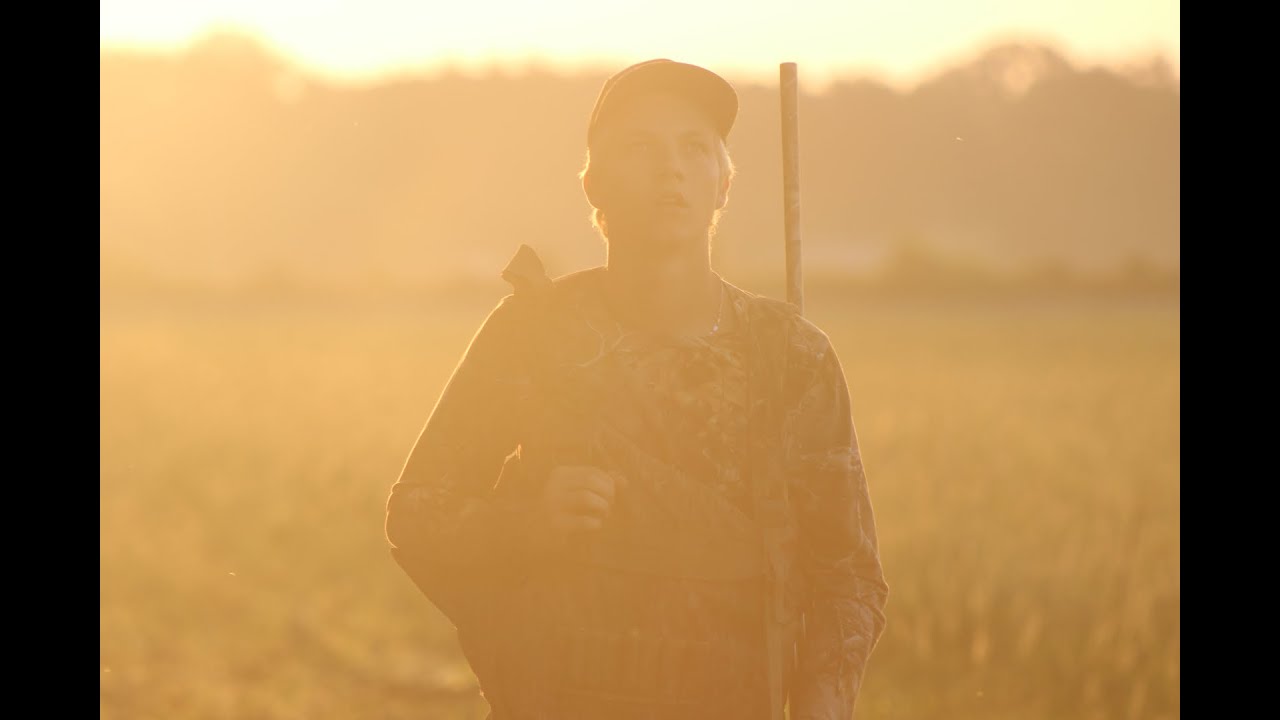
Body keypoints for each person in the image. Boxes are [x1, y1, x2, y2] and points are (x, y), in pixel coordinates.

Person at [385, 58, 888, 720]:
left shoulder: (792, 355)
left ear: (723, 184)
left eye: (695, 149)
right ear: (594, 186)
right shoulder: (532, 335)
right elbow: (416, 514)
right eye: (640, 148)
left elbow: (846, 574)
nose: (670, 168)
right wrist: (526, 527)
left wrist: (822, 704)